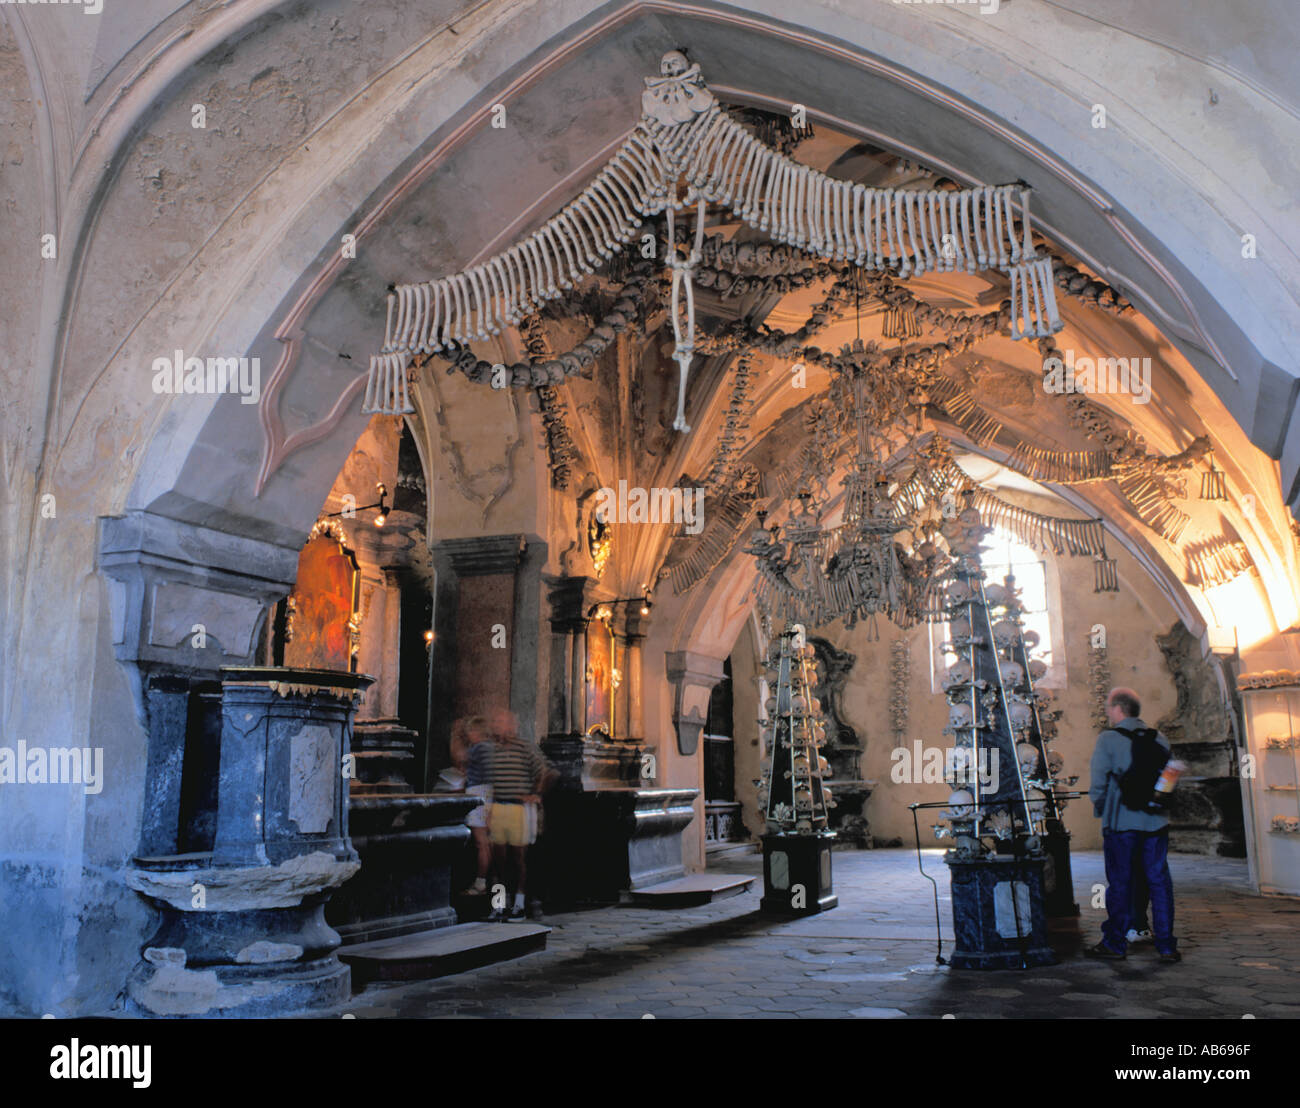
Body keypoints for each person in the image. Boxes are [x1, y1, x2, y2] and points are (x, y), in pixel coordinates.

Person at [1087, 687, 1181, 963]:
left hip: (1122, 823)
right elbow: (1170, 778)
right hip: (1156, 822)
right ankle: (1166, 945)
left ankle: (1115, 942)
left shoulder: (1108, 739)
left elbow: (1098, 783)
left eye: (1109, 707)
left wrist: (1103, 809)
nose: (1107, 712)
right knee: (1159, 881)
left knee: (1120, 881)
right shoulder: (1160, 738)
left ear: (1118, 709)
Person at [483, 708, 556, 921]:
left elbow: (547, 770)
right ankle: (498, 906)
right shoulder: (491, 749)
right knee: (497, 863)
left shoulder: (525, 748)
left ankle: (519, 904)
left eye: (501, 721)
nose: (497, 725)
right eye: (495, 721)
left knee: (518, 860)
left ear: (512, 726)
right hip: (497, 807)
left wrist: (536, 793)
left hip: (518, 809)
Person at [451, 716, 492, 895]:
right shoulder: (488, 748)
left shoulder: (480, 748)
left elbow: (459, 759)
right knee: (484, 842)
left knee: (480, 842)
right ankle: (487, 880)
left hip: (480, 793)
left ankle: (481, 882)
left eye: (470, 732)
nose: (468, 735)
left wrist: (454, 736)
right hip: (484, 793)